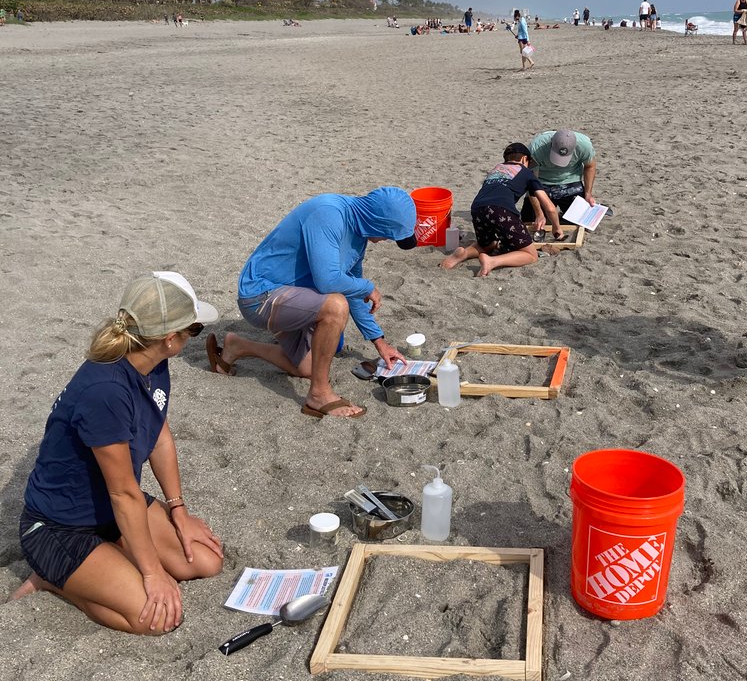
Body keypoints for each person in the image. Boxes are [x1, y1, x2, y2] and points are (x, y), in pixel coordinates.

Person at [10, 273, 224, 634]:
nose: (192, 336)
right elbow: (123, 492)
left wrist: (179, 510)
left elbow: (158, 437)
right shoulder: (105, 390)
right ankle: (53, 578)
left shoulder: (153, 363)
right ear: (170, 339)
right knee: (156, 619)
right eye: (195, 329)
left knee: (205, 562)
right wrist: (152, 573)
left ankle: (110, 560)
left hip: (112, 509)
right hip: (59, 527)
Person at [207, 188, 417, 419]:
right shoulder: (328, 213)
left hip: (293, 296)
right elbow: (328, 282)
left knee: (308, 367)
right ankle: (319, 395)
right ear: (377, 221)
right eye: (388, 234)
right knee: (335, 307)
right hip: (259, 296)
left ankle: (237, 346)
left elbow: (351, 289)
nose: (386, 240)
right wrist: (368, 287)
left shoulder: (359, 232)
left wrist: (380, 342)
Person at [440, 143, 562, 277]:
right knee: (531, 255)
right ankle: (492, 261)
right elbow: (549, 207)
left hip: (477, 208)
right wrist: (557, 228)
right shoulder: (527, 173)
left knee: (488, 245)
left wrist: (538, 214)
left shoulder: (496, 169)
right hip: (501, 209)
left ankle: (464, 253)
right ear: (524, 159)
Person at [521, 128, 597, 223]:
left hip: (571, 181)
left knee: (583, 220)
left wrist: (588, 193)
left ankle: (561, 215)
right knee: (529, 220)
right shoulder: (536, 148)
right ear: (551, 143)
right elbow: (531, 182)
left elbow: (590, 166)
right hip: (542, 181)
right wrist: (539, 214)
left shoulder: (584, 145)